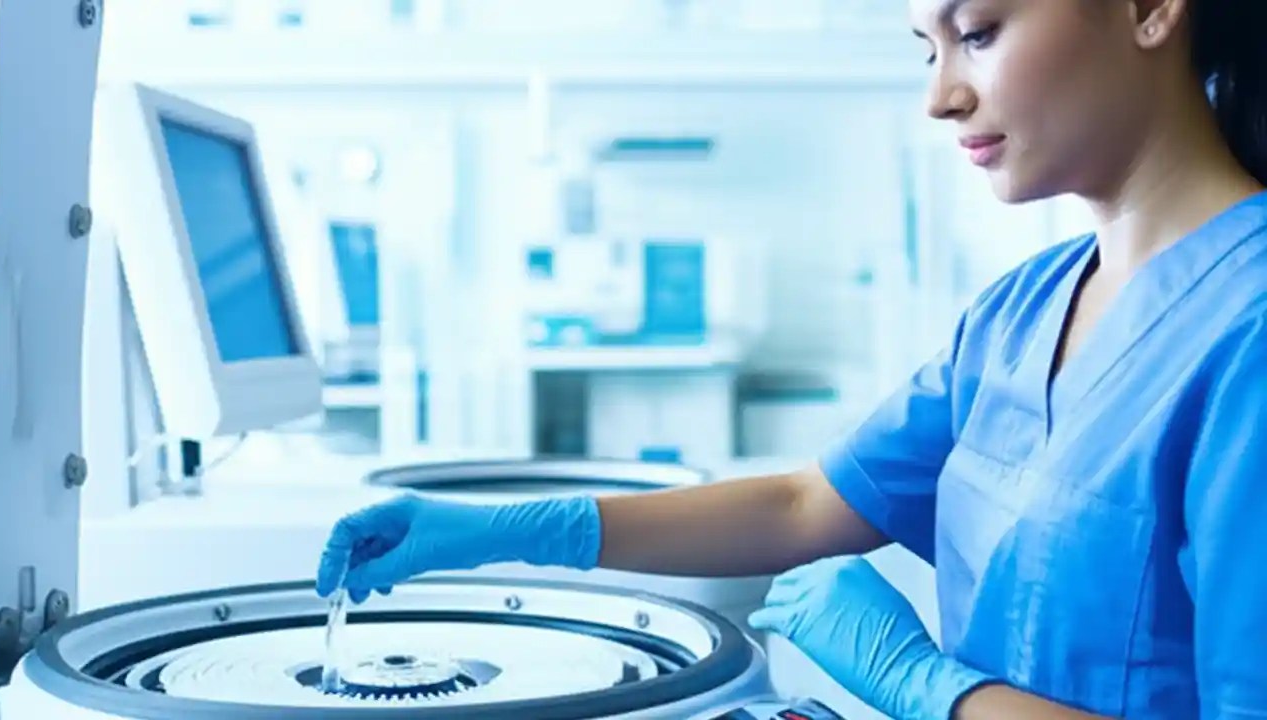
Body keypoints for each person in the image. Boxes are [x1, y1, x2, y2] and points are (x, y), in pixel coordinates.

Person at [315, 0, 1267, 717]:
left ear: (1150, 9)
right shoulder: (1024, 308)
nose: (941, 96)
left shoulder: (1249, 329)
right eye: (927, 49)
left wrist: (931, 688)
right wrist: (510, 530)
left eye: (977, 32)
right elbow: (807, 504)